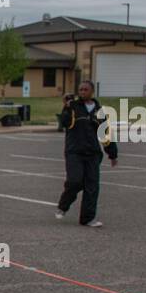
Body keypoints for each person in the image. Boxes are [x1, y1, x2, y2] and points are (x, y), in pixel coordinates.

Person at [54, 80, 117, 227]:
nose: (82, 92)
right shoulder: (73, 107)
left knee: (92, 186)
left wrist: (112, 153)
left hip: (93, 153)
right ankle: (63, 205)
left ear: (92, 91)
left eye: (85, 89)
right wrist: (66, 107)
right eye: (80, 89)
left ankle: (87, 218)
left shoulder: (99, 111)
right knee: (75, 181)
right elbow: (64, 123)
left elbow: (105, 133)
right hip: (74, 152)